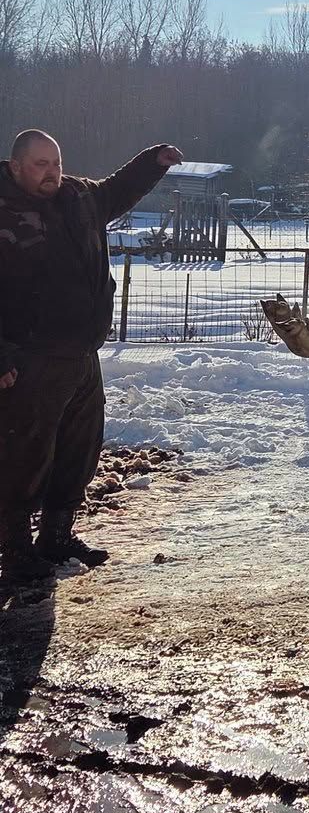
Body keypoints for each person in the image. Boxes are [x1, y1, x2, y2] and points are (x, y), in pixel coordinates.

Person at [0, 130, 183, 596]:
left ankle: (57, 539)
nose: (51, 172)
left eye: (56, 163)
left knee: (79, 449)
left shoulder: (79, 197)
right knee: (23, 456)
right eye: (40, 164)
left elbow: (118, 188)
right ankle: (15, 550)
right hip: (29, 357)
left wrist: (153, 161)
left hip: (82, 353)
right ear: (16, 166)